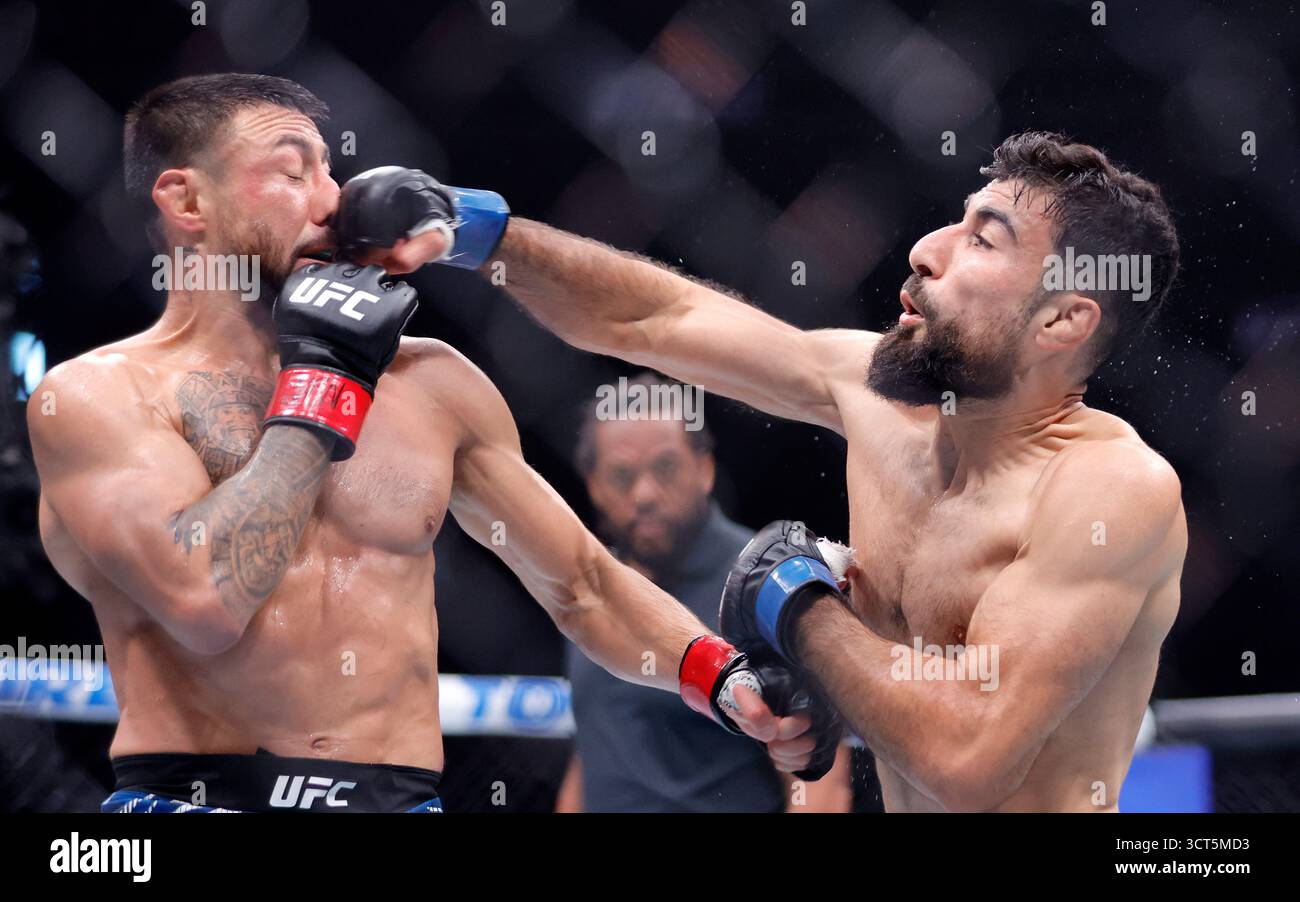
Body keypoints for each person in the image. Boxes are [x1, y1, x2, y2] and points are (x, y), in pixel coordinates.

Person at [25, 73, 824, 813]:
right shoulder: (99, 397)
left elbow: (585, 586)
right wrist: (325, 383)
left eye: (333, 173)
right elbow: (205, 599)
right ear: (186, 201)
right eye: (292, 171)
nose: (333, 201)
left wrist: (721, 675)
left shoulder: (430, 385)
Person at [362, 130, 1187, 811]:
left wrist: (797, 605)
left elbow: (965, 759)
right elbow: (655, 316)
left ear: (1064, 319)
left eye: (983, 238)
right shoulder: (873, 399)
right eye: (955, 221)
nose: (925, 252)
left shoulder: (1108, 492)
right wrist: (477, 234)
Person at [554, 374, 852, 812]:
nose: (645, 495)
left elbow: (819, 787)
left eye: (665, 467)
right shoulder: (590, 587)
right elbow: (596, 747)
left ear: (705, 469)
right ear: (594, 485)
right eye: (621, 476)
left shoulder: (769, 586)